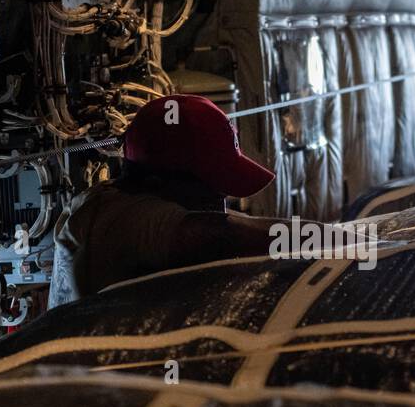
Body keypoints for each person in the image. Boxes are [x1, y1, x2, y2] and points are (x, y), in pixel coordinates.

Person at [48, 94, 285, 307]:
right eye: (213, 192)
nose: (221, 204)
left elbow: (233, 223)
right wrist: (319, 238)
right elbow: (223, 235)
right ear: (156, 182)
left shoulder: (113, 201)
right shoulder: (121, 222)